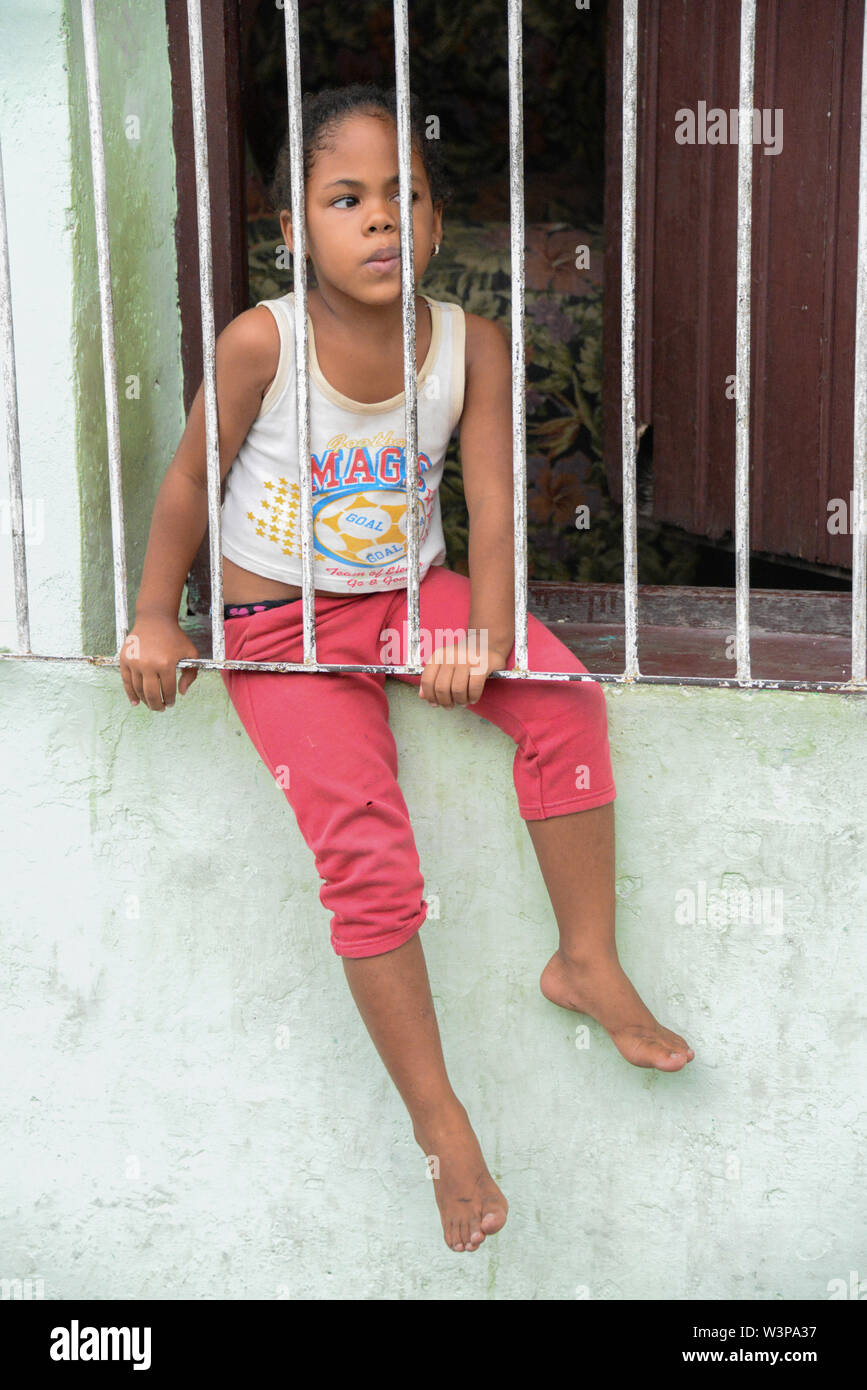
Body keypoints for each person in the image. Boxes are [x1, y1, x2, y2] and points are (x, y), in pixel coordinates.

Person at [119, 81, 694, 1256]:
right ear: (296, 231)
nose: (381, 219)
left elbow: (490, 500)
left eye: (405, 195)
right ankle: (442, 1126)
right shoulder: (261, 342)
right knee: (370, 859)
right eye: (348, 198)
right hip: (283, 632)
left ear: (435, 223)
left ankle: (585, 958)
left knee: (566, 701)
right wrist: (155, 618)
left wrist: (478, 634)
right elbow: (188, 481)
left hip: (402, 602)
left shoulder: (467, 346)